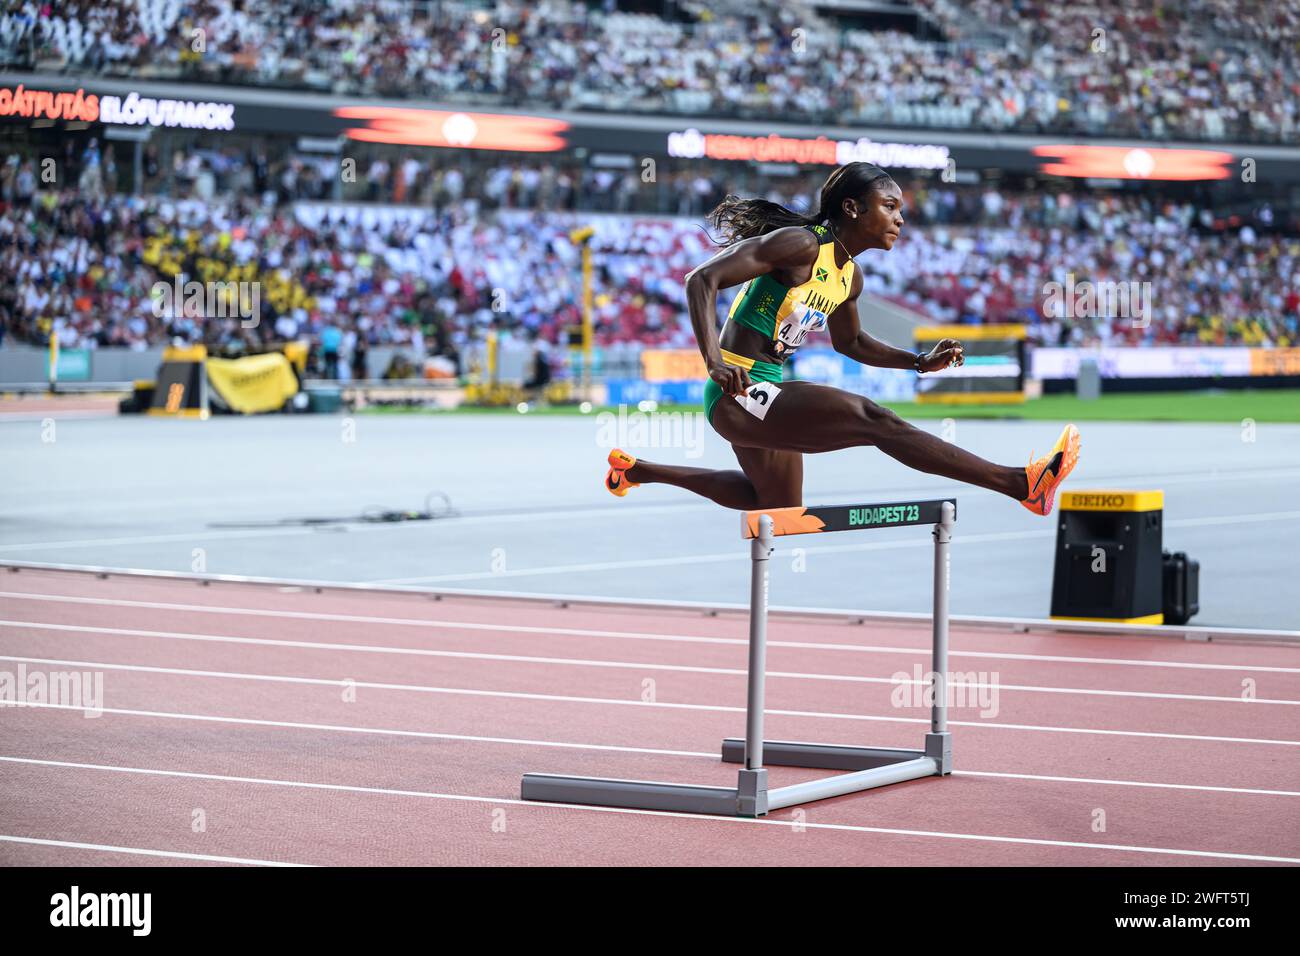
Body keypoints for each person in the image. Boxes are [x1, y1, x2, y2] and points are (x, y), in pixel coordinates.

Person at [604, 162, 1080, 516]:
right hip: (737, 390)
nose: (899, 219)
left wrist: (918, 362)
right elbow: (699, 281)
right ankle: (1020, 483)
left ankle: (636, 470)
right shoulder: (802, 245)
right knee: (874, 418)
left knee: (777, 508)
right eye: (889, 207)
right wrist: (713, 361)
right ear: (852, 208)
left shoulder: (849, 278)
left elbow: (851, 344)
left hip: (763, 392)